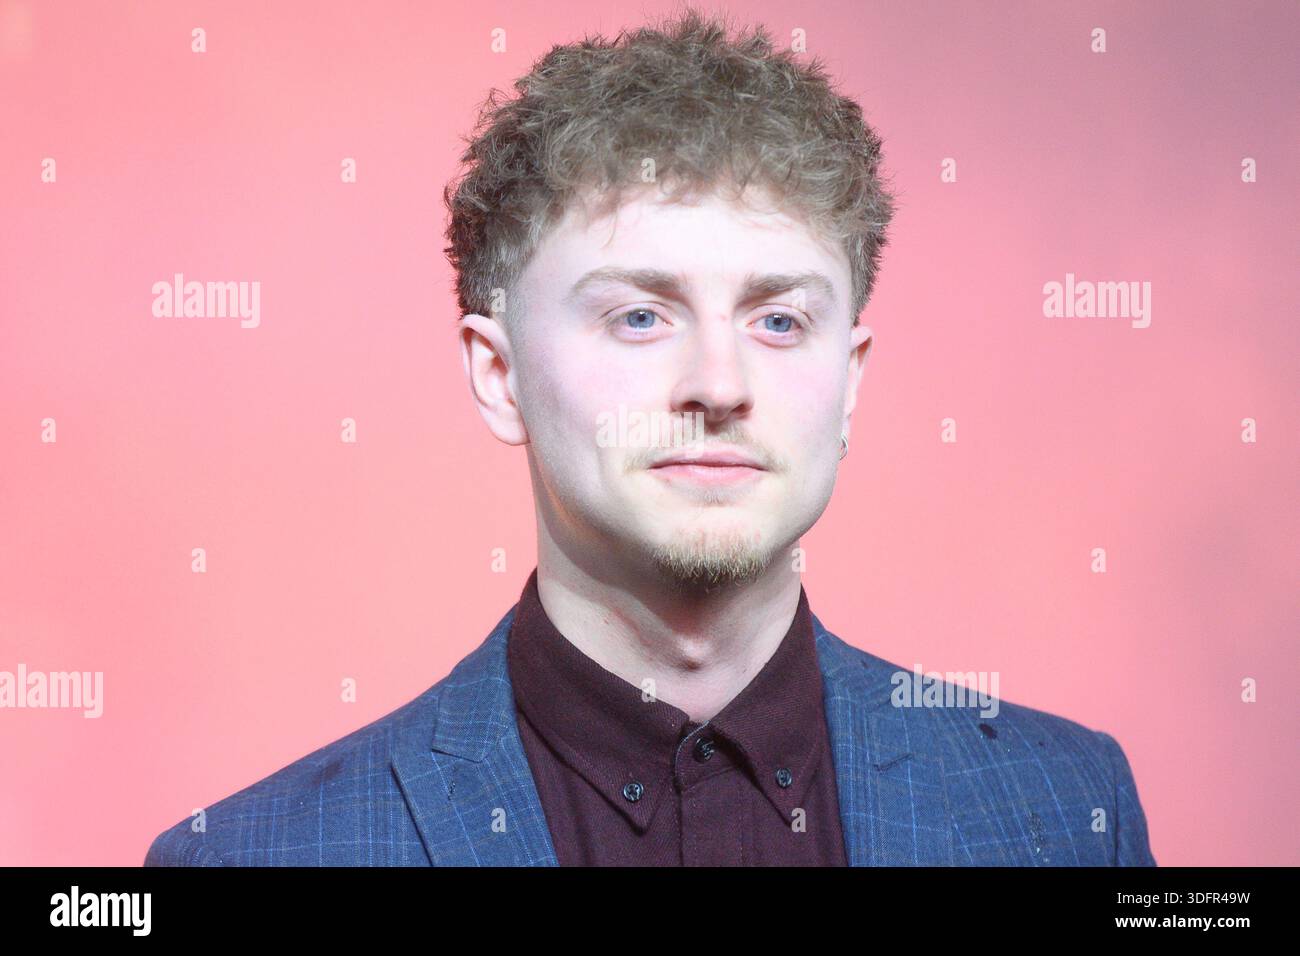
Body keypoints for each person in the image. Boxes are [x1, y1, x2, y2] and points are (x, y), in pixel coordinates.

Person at [146, 8, 1155, 866]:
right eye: (639, 316)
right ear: (498, 376)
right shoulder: (259, 853)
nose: (718, 384)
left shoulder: (1065, 810)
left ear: (848, 383)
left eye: (778, 320)